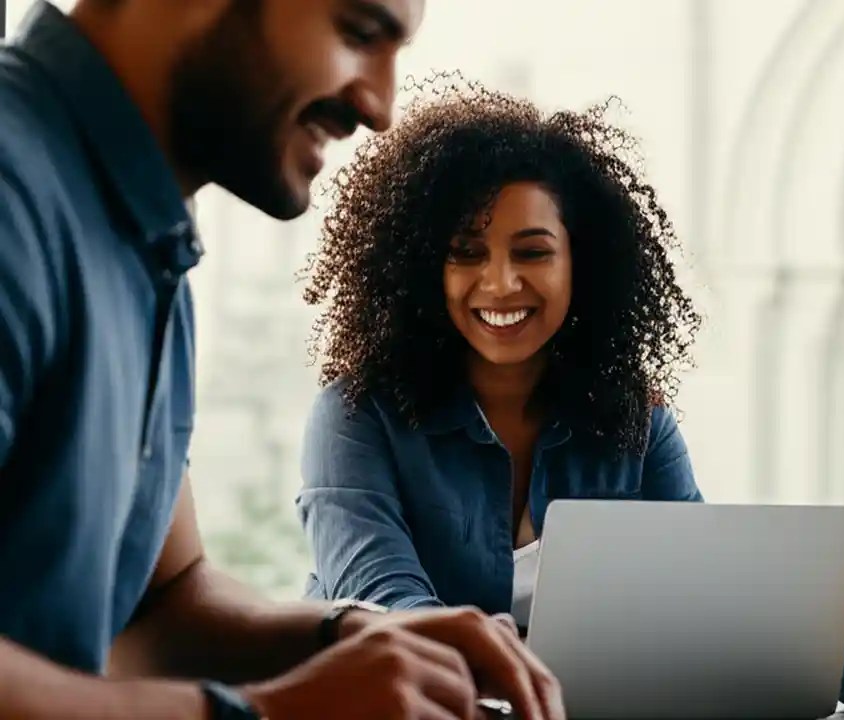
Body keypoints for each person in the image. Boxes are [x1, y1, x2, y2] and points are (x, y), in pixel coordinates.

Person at [0, 2, 563, 719]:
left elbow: (161, 603)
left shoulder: (142, 241)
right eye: (358, 33)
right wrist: (273, 713)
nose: (380, 106)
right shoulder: (15, 196)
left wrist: (363, 637)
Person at [297, 80, 704, 627]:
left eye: (533, 252)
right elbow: (384, 605)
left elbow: (697, 590)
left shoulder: (638, 422)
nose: (502, 283)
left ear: (581, 264)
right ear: (423, 269)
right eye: (466, 253)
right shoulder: (355, 417)